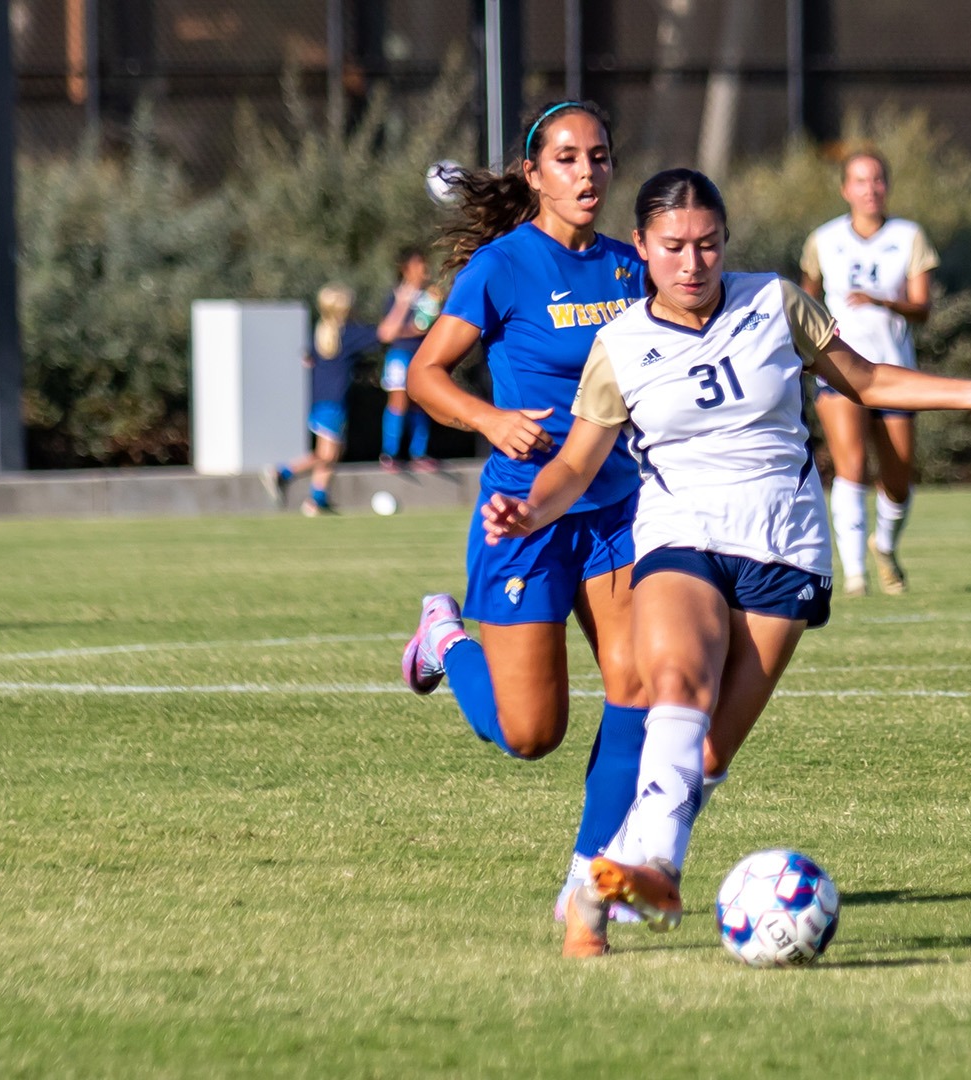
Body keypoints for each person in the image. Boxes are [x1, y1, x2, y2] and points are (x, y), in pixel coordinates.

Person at [481, 168, 971, 957]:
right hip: (680, 535)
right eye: (673, 247)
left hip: (783, 543)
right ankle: (652, 873)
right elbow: (576, 464)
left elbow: (870, 379)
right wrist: (529, 509)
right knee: (676, 686)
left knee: (704, 756)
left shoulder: (775, 303)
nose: (692, 263)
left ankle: (595, 890)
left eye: (708, 245)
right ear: (641, 247)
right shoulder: (621, 344)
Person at [397, 101, 653, 922]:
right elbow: (425, 374)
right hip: (526, 512)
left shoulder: (630, 266)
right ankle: (445, 640)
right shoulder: (503, 268)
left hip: (616, 508)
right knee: (529, 734)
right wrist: (489, 419)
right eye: (569, 159)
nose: (588, 174)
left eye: (600, 158)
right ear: (535, 175)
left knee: (641, 692)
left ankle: (589, 880)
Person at [800, 151, 939, 596]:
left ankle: (885, 546)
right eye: (860, 181)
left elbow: (922, 309)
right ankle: (855, 573)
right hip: (840, 371)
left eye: (877, 179)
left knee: (898, 479)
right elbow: (804, 301)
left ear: (887, 185)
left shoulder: (909, 236)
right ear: (845, 189)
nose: (870, 188)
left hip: (895, 372)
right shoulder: (822, 239)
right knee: (851, 466)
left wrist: (882, 301)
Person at [266, 283, 380, 516]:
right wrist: (401, 303)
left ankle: (316, 500)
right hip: (333, 403)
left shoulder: (318, 333)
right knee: (327, 454)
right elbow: (383, 334)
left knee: (332, 452)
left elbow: (307, 359)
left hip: (320, 401)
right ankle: (283, 472)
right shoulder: (346, 334)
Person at [376, 248, 443, 473]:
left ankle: (418, 453)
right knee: (398, 401)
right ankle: (390, 453)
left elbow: (420, 326)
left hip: (421, 355)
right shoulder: (394, 296)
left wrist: (396, 330)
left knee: (420, 402)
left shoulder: (430, 296)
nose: (424, 269)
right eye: (418, 265)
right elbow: (385, 332)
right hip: (399, 356)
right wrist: (402, 303)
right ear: (405, 269)